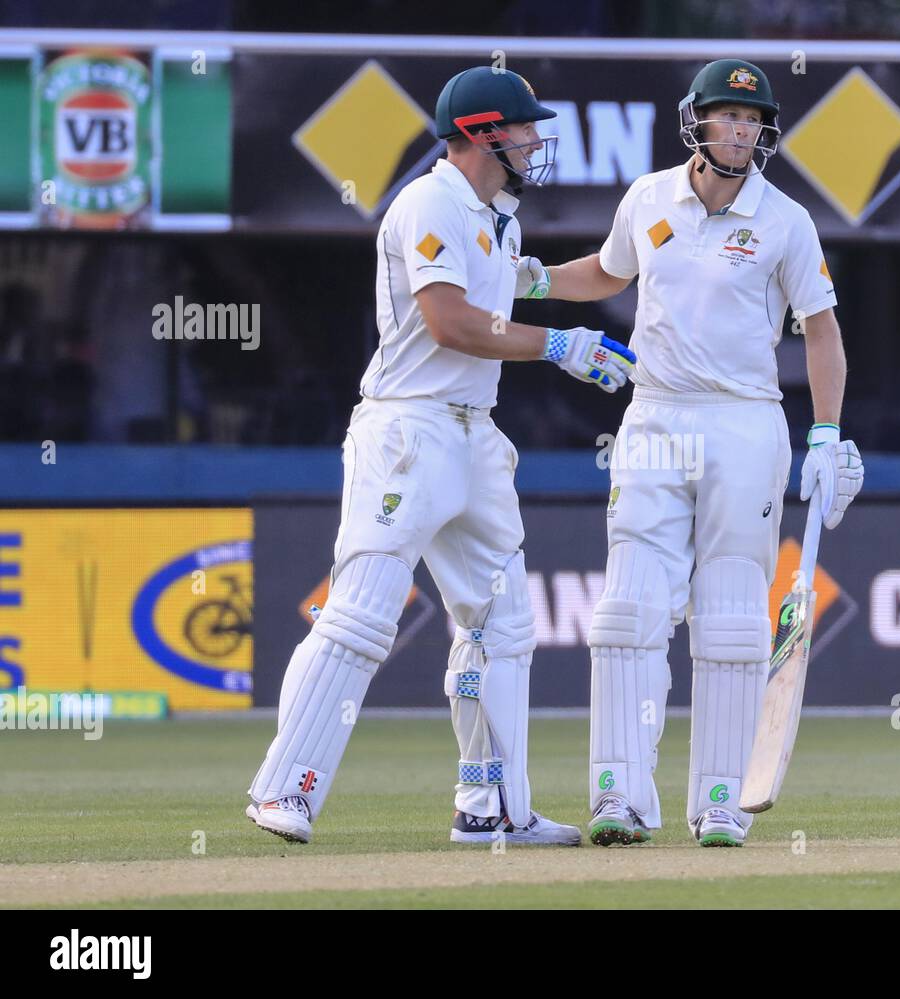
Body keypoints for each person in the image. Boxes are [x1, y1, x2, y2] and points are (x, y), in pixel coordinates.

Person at [245, 66, 635, 846]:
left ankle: (489, 807)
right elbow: (451, 323)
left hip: (476, 435)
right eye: (524, 129)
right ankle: (282, 790)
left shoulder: (501, 220)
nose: (535, 142)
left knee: (500, 626)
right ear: (486, 134)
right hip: (407, 432)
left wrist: (580, 291)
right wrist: (559, 343)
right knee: (362, 615)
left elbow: (514, 288)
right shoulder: (429, 201)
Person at [515, 59, 864, 847]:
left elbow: (823, 330)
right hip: (655, 415)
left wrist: (828, 433)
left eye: (753, 120)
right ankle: (621, 794)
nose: (741, 130)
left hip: (745, 421)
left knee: (735, 618)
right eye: (727, 117)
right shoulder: (648, 198)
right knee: (628, 610)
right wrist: (529, 276)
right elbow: (605, 273)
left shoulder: (787, 221)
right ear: (697, 123)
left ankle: (719, 799)